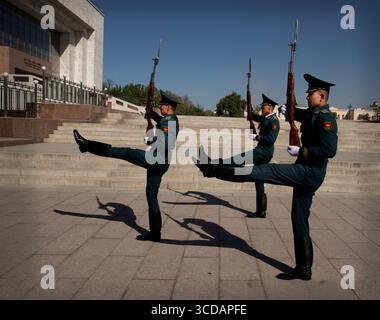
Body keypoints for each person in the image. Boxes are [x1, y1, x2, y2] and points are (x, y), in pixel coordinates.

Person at [194, 74, 338, 280]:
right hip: (306, 172)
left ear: (322, 96)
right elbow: (296, 113)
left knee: (262, 171)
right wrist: (288, 104)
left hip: (309, 172)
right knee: (298, 220)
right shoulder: (313, 114)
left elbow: (329, 149)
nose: (308, 97)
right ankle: (304, 269)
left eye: (311, 94)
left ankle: (212, 170)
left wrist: (302, 152)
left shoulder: (326, 118)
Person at [73, 90, 180, 242]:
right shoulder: (170, 120)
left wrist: (153, 133)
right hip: (160, 163)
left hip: (156, 161)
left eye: (162, 105)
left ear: (168, 107)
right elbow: (158, 130)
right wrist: (151, 116)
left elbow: (164, 141)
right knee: (151, 196)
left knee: (126, 152)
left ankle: (87, 145)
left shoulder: (170, 122)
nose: (160, 106)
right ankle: (155, 234)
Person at [214, 94, 280, 218]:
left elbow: (271, 139)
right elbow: (257, 117)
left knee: (241, 158)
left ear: (270, 107)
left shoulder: (274, 121)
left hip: (264, 152)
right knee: (259, 179)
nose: (262, 107)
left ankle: (219, 164)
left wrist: (257, 137)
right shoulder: (267, 118)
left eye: (263, 106)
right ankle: (261, 211)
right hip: (262, 150)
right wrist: (249, 113)